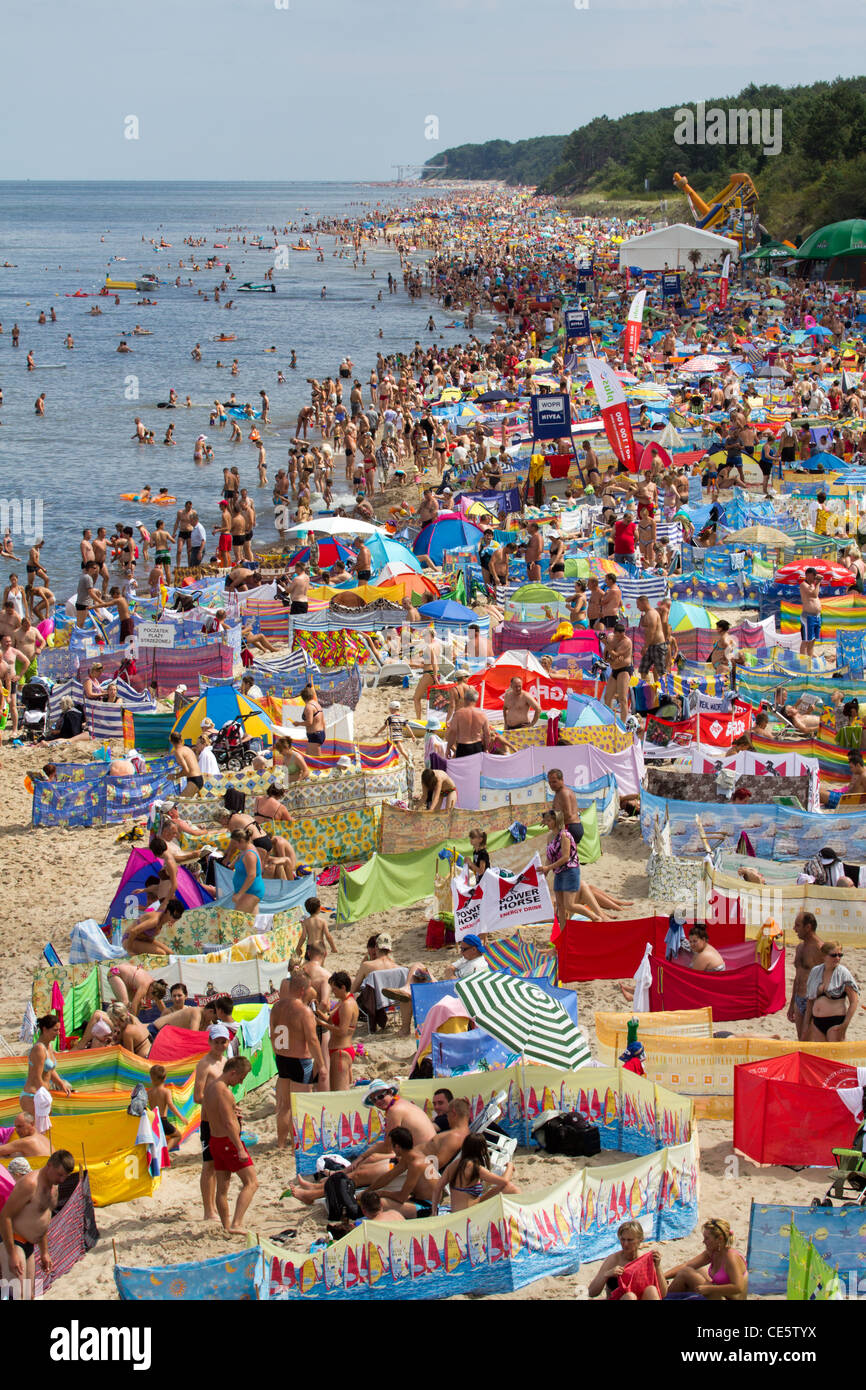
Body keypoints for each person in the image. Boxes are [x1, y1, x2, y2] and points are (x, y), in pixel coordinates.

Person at [0, 1149, 76, 1300]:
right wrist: (12, 1254)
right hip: (14, 1242)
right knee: (17, 1295)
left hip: (30, 1245)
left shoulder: (54, 1187)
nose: (62, 1180)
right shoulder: (29, 1184)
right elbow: (5, 1216)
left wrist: (44, 1252)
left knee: (30, 1296)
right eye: (59, 1174)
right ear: (49, 1166)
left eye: (65, 1176)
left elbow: (43, 1220)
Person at [269, 973, 328, 1150]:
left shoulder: (277, 1007)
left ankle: (280, 1143)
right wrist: (322, 1064)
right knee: (300, 1104)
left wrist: (278, 1052)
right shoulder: (304, 1011)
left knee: (284, 1106)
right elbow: (312, 1040)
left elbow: (272, 1033)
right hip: (300, 1060)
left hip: (282, 1058)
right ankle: (299, 1142)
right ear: (303, 990)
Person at [204, 1055, 258, 1234]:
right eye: (240, 1078)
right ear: (233, 1073)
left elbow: (214, 1115)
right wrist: (240, 1148)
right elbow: (228, 1123)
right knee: (251, 1182)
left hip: (215, 1141)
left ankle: (226, 1226)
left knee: (222, 1188)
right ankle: (236, 1223)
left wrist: (233, 1113)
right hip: (228, 1142)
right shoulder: (224, 1091)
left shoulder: (211, 1087)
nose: (240, 1083)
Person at [194, 1024, 230, 1220]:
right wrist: (218, 1104)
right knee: (209, 1164)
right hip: (209, 1120)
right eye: (216, 1042)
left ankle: (218, 1206)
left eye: (223, 1041)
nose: (220, 1045)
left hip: (223, 1121)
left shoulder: (226, 1062)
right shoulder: (204, 1064)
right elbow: (197, 1096)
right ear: (209, 1042)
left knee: (221, 1165)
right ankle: (208, 1210)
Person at [664, 1218, 748, 1300]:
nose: (703, 1241)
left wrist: (709, 1289)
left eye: (707, 1238)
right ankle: (664, 1293)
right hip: (720, 1293)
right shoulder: (713, 1252)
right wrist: (663, 1277)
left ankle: (663, 1296)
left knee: (686, 1272)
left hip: (729, 1297)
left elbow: (738, 1287)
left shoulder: (731, 1257)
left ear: (719, 1239)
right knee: (695, 1269)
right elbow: (687, 1265)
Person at [587, 1220, 666, 1300]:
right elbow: (591, 1292)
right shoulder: (614, 1260)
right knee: (630, 1296)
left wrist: (657, 1267)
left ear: (640, 1239)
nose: (625, 1244)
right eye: (622, 1239)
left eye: (630, 1240)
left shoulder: (645, 1259)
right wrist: (606, 1275)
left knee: (651, 1290)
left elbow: (663, 1293)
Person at [20, 1014, 72, 1127]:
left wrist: (61, 1084)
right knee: (36, 1132)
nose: (58, 1033)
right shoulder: (39, 1049)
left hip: (42, 1095)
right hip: (32, 1096)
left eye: (59, 1030)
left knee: (46, 1131)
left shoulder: (49, 1046)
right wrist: (45, 1096)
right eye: (55, 1030)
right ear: (44, 1029)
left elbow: (50, 1070)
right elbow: (37, 1077)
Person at [805, 941, 860, 1042]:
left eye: (840, 955)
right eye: (834, 955)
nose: (837, 958)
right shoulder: (815, 972)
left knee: (834, 1056)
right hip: (817, 1022)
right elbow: (810, 1001)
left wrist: (845, 1024)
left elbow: (854, 1001)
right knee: (820, 1056)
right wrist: (806, 1024)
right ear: (824, 956)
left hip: (836, 1021)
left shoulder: (843, 973)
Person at [314, 971, 358, 1091]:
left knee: (339, 1092)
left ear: (343, 987)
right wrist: (317, 1011)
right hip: (339, 1050)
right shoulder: (343, 1001)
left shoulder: (347, 1005)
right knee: (337, 1090)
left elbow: (342, 1031)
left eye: (334, 989)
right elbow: (330, 1020)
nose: (333, 992)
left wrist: (320, 1023)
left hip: (341, 1051)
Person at [788, 910, 824, 1039]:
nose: (794, 929)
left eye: (797, 925)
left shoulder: (821, 949)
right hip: (799, 999)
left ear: (808, 927)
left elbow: (829, 979)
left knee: (809, 1041)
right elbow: (797, 978)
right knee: (801, 1040)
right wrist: (792, 1004)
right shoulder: (799, 948)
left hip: (814, 1001)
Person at [146, 1064, 185, 1152]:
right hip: (162, 1120)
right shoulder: (166, 1091)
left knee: (157, 1139)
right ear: (165, 1078)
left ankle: (158, 1154)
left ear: (151, 1078)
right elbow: (171, 1105)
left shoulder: (149, 1092)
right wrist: (181, 1117)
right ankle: (165, 1152)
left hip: (153, 1120)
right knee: (177, 1136)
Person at [229, 826, 265, 911]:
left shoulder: (249, 855)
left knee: (238, 921)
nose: (234, 846)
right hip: (247, 892)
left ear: (241, 841)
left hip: (251, 892)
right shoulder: (244, 851)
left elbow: (251, 875)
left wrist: (239, 894)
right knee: (253, 922)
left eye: (235, 843)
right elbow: (234, 866)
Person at [446, 688, 490, 757]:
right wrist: (486, 748)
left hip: (463, 746)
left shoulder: (458, 714)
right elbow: (487, 734)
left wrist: (448, 748)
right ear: (476, 700)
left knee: (462, 767)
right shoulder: (482, 715)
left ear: (465, 699)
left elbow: (453, 732)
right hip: (477, 746)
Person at [798, 567, 822, 658]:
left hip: (816, 616)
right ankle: (803, 661)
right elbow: (814, 594)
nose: (815, 577)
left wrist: (816, 583)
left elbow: (815, 597)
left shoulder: (813, 585)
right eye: (814, 575)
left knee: (813, 640)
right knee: (806, 640)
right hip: (807, 617)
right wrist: (818, 582)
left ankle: (810, 658)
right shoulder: (803, 585)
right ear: (808, 575)